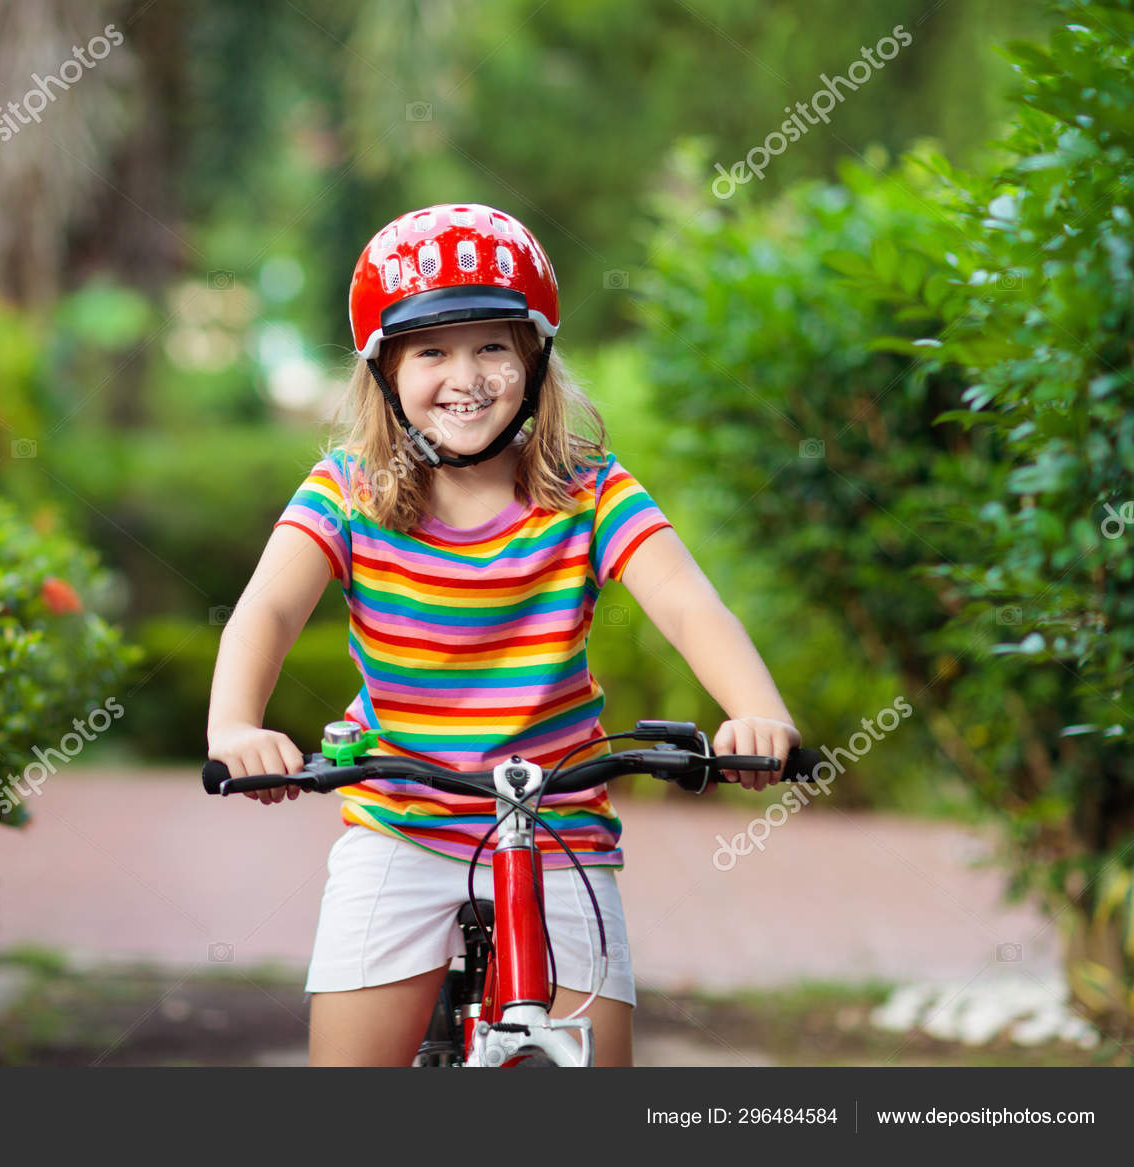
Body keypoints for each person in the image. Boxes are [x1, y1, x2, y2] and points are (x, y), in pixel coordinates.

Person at [206, 202, 800, 1067]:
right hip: (401, 821)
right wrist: (236, 726)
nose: (466, 375)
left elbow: (688, 605)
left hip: (558, 824)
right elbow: (265, 609)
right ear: (385, 370)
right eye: (431, 351)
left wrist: (757, 714)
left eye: (493, 345)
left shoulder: (589, 492)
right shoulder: (349, 489)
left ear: (536, 356)